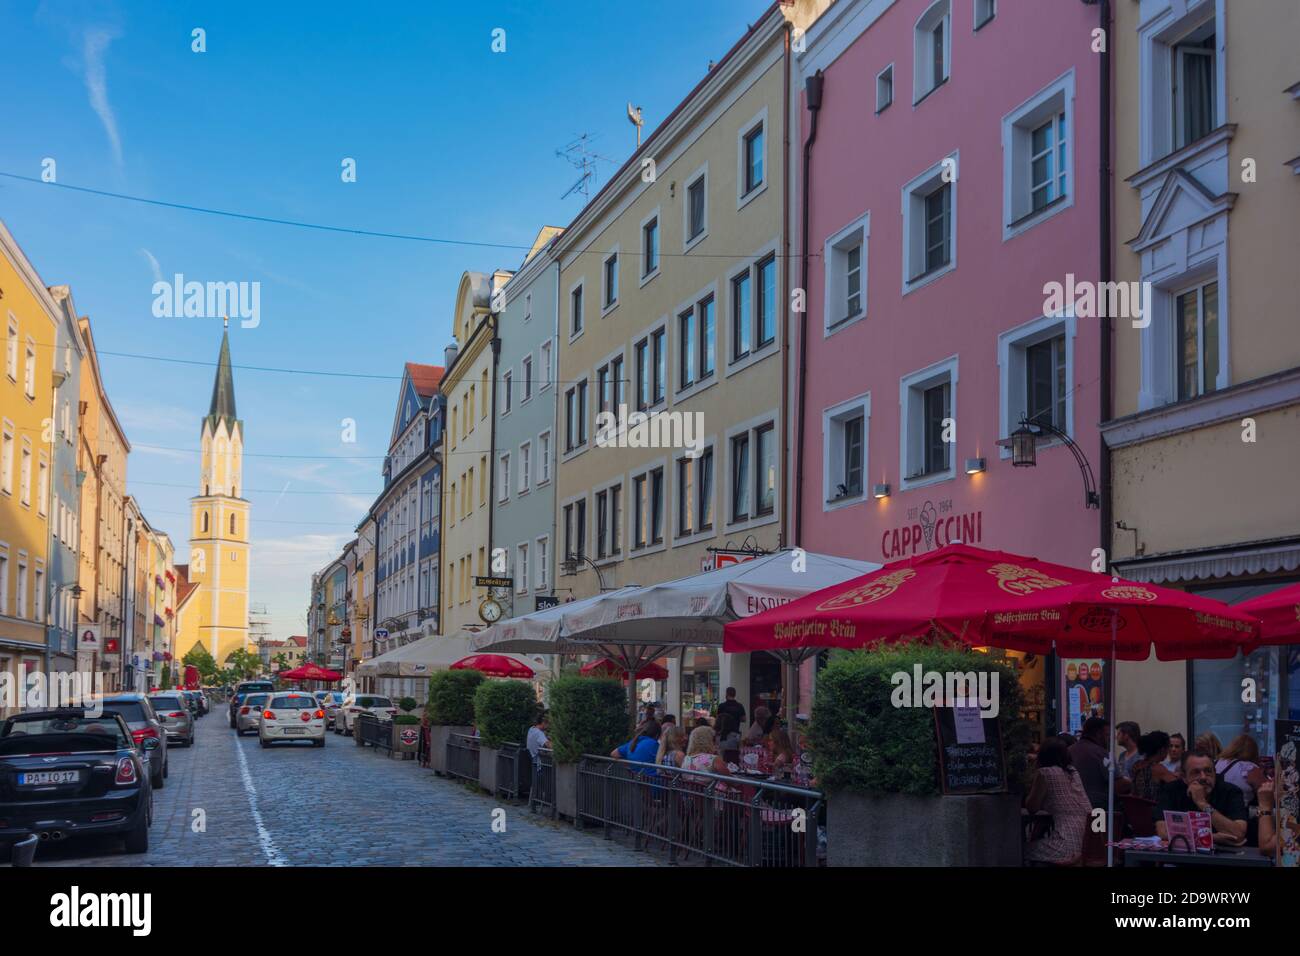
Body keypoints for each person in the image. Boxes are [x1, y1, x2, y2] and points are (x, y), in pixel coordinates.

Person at [1156, 751, 1248, 846]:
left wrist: (1202, 804)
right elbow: (1163, 833)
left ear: (1214, 772)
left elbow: (1238, 834)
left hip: (1222, 857)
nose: (1203, 777)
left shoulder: (1231, 791)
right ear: (1184, 777)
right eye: (1196, 772)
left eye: (1208, 771)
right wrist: (1213, 838)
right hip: (1183, 855)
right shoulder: (1171, 790)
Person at [1024, 737, 1093, 864]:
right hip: (1089, 843)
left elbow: (1032, 807)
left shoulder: (1044, 773)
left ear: (1043, 755)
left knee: (1021, 850)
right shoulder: (1073, 772)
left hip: (1067, 846)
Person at [1068, 717, 1112, 810]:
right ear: (1099, 734)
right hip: (1098, 806)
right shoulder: (1101, 753)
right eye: (1107, 735)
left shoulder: (1068, 751)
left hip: (1073, 805)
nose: (1109, 739)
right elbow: (1116, 782)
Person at [1216, 733, 1265, 806]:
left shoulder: (1216, 762)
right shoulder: (1249, 768)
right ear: (1254, 752)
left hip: (1215, 811)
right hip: (1239, 812)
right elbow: (1267, 791)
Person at [1130, 731, 1179, 802]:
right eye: (1168, 748)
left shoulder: (1137, 764)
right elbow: (1178, 785)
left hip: (1136, 807)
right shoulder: (1157, 768)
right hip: (1151, 808)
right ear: (1162, 750)